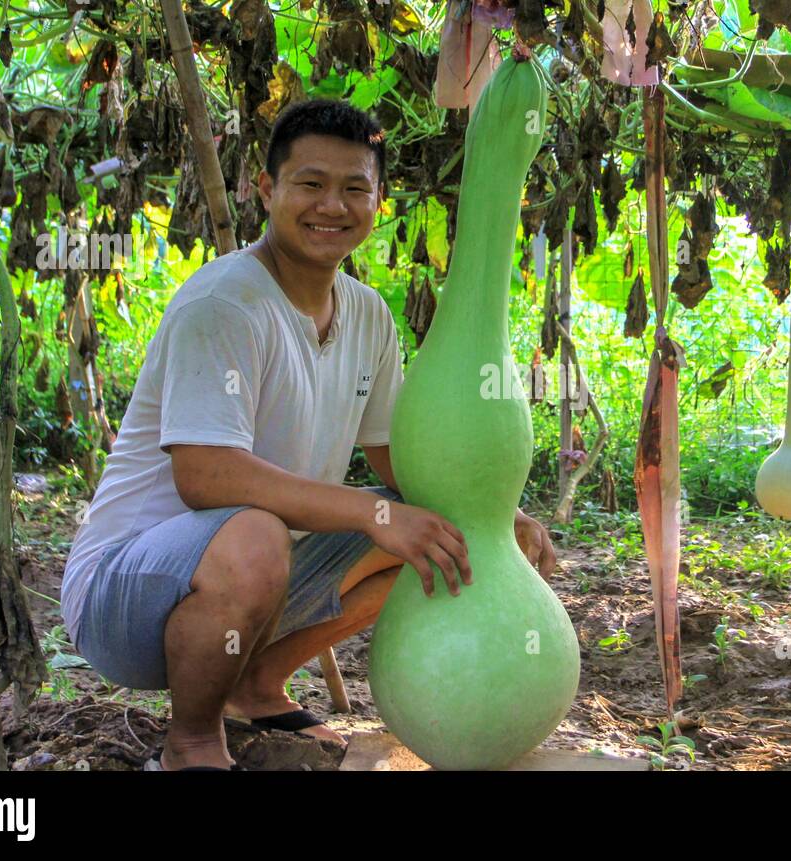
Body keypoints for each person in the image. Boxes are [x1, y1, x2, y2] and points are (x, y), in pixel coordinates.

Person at [60, 99, 559, 771]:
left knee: (444, 528)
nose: (333, 205)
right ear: (267, 190)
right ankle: (191, 741)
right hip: (126, 593)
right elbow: (205, 475)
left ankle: (254, 684)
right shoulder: (225, 304)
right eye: (311, 184)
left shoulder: (368, 315)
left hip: (254, 578)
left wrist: (498, 516)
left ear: (378, 201)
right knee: (259, 535)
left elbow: (393, 453)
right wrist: (376, 513)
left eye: (355, 187)